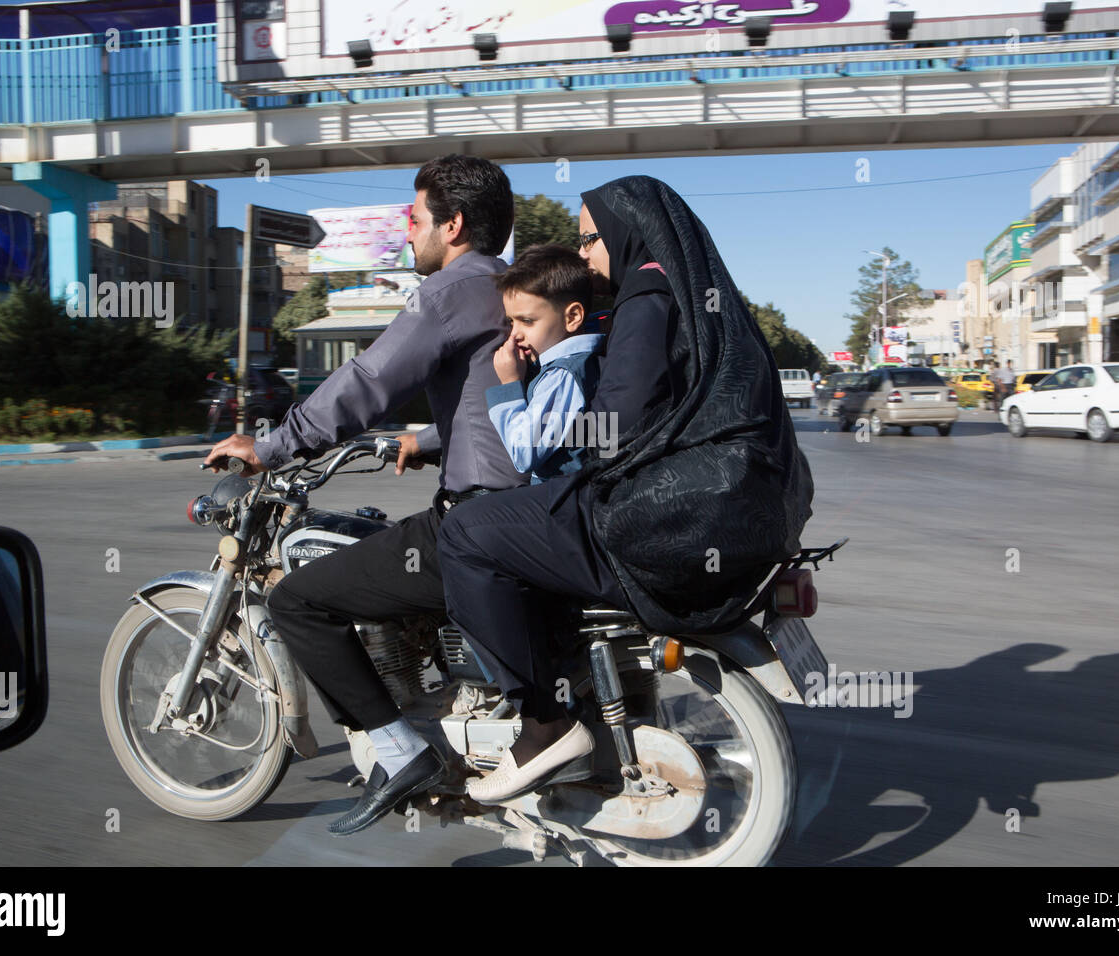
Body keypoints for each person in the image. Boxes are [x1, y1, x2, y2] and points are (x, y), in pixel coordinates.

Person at [439, 176, 814, 802]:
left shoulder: (646, 298)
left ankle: (544, 724)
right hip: (734, 506)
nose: (585, 253)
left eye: (589, 238)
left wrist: (552, 443)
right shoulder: (695, 292)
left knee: (464, 533)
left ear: (623, 230)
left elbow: (615, 425)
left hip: (661, 516)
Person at [203, 154, 523, 836]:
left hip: (478, 520)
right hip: (526, 508)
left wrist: (271, 444)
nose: (408, 232)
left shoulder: (447, 293)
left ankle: (401, 752)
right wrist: (432, 441)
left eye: (414, 218)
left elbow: (369, 380)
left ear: (454, 224)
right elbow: (504, 402)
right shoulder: (511, 286)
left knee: (298, 599)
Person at [486, 244, 605, 484]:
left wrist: (509, 385)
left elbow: (524, 453)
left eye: (527, 321)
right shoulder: (581, 363)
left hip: (562, 502)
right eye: (511, 321)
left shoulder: (563, 376)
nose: (514, 334)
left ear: (572, 317)